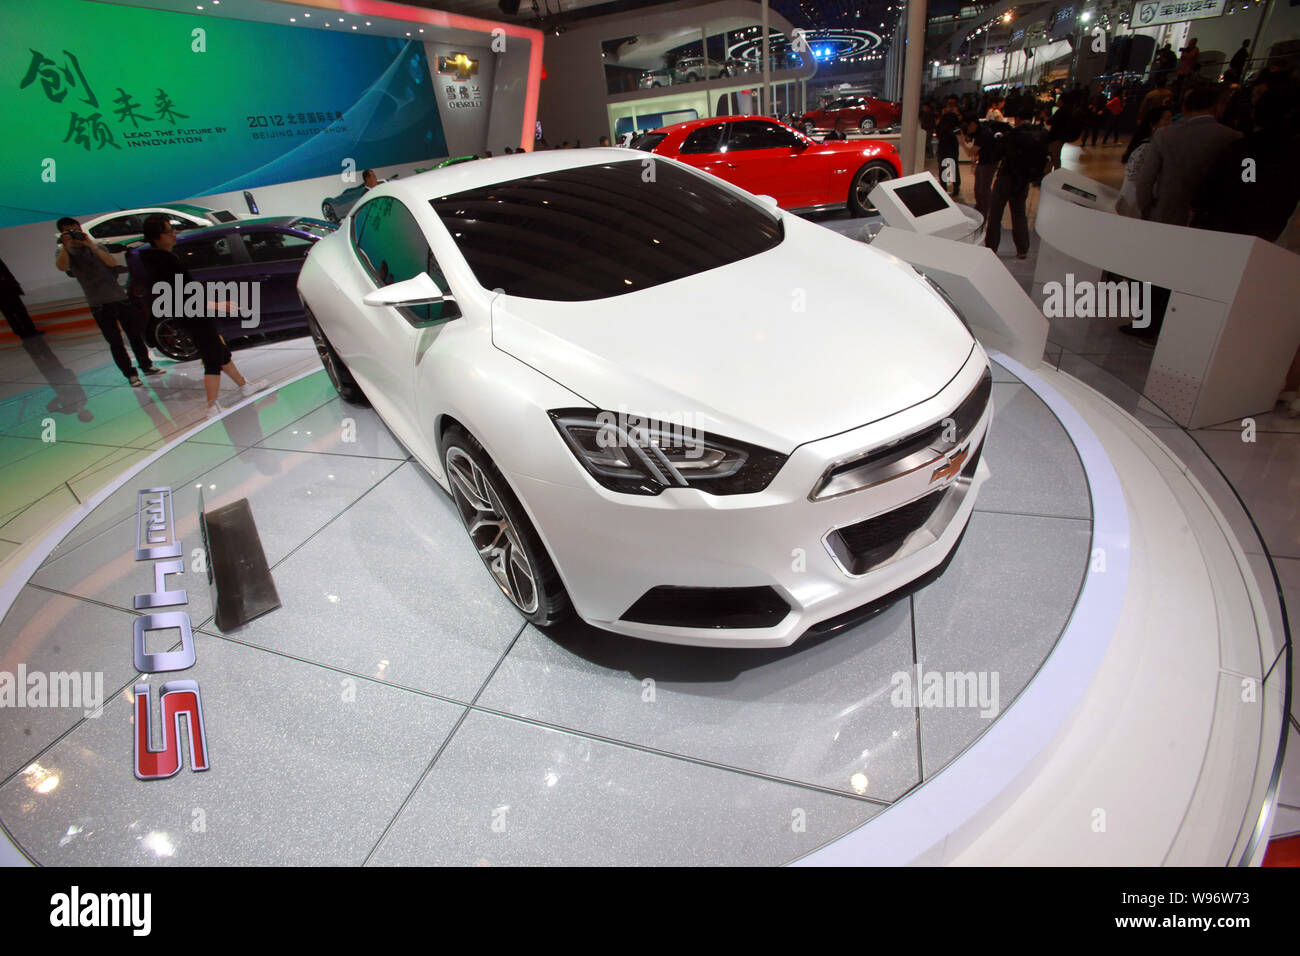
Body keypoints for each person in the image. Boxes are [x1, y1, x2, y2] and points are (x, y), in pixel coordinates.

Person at [136, 214, 264, 417]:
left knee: (220, 352)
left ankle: (244, 384)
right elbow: (181, 294)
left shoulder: (159, 259)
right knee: (212, 357)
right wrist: (215, 304)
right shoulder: (164, 262)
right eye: (169, 231)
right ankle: (212, 406)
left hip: (191, 314)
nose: (173, 234)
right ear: (157, 236)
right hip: (193, 315)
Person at [55, 216, 161, 387]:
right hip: (98, 303)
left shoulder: (95, 246)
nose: (76, 233)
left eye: (77, 229)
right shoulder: (65, 252)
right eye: (70, 231)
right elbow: (62, 266)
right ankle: (130, 375)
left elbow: (111, 263)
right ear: (62, 233)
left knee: (135, 335)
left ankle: (146, 365)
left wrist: (90, 246)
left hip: (119, 298)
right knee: (115, 342)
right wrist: (66, 246)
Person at [1135, 85, 1243, 226]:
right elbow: (1246, 179)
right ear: (1216, 105)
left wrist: (1145, 211)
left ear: (1185, 107)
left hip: (1165, 215)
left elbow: (1145, 180)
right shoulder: (1234, 137)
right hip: (1210, 219)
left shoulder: (1164, 134)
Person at [984, 100, 1049, 259]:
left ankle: (991, 248)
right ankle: (1022, 249)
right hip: (1023, 180)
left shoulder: (1013, 134)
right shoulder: (1041, 134)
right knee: (1019, 213)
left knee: (995, 214)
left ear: (1017, 118)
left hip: (1006, 177)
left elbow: (997, 154)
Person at [1117, 104, 1174, 217]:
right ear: (1153, 124)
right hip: (1135, 202)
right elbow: (1135, 178)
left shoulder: (1150, 145)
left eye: (1171, 119)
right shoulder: (1147, 148)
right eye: (1166, 119)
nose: (1171, 123)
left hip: (1133, 199)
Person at [0, 255, 40, 338]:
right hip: (4, 291)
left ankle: (29, 329)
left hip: (8, 288)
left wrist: (14, 285)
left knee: (19, 310)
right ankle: (22, 331)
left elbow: (6, 272)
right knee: (10, 312)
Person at [935, 97, 964, 197]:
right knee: (947, 166)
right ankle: (947, 188)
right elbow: (938, 127)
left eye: (952, 104)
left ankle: (952, 188)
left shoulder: (953, 117)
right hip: (946, 144)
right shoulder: (945, 116)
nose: (950, 106)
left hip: (948, 144)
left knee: (950, 166)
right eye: (949, 104)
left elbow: (959, 128)